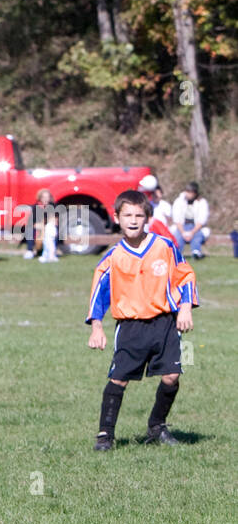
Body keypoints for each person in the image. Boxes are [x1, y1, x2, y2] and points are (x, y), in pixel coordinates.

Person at [87, 191, 197, 451]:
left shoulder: (164, 246)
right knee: (119, 379)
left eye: (139, 215)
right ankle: (105, 435)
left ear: (148, 217)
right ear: (116, 218)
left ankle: (156, 427)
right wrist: (97, 327)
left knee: (171, 376)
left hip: (165, 323)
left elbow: (185, 275)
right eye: (127, 215)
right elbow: (98, 295)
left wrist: (185, 308)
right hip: (131, 327)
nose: (133, 220)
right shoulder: (112, 258)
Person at [171, 181, 209, 259]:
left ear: (195, 193)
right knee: (178, 236)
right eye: (187, 191)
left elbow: (201, 220)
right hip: (182, 226)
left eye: (190, 192)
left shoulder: (202, 202)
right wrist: (183, 232)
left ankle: (196, 253)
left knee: (197, 236)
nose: (188, 194)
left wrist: (192, 232)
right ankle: (177, 253)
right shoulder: (179, 201)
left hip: (195, 227)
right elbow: (177, 219)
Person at [139, 175, 174, 240]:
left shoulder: (166, 205)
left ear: (161, 194)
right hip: (151, 228)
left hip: (163, 229)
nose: (156, 196)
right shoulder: (148, 204)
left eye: (158, 193)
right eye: (154, 194)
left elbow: (170, 221)